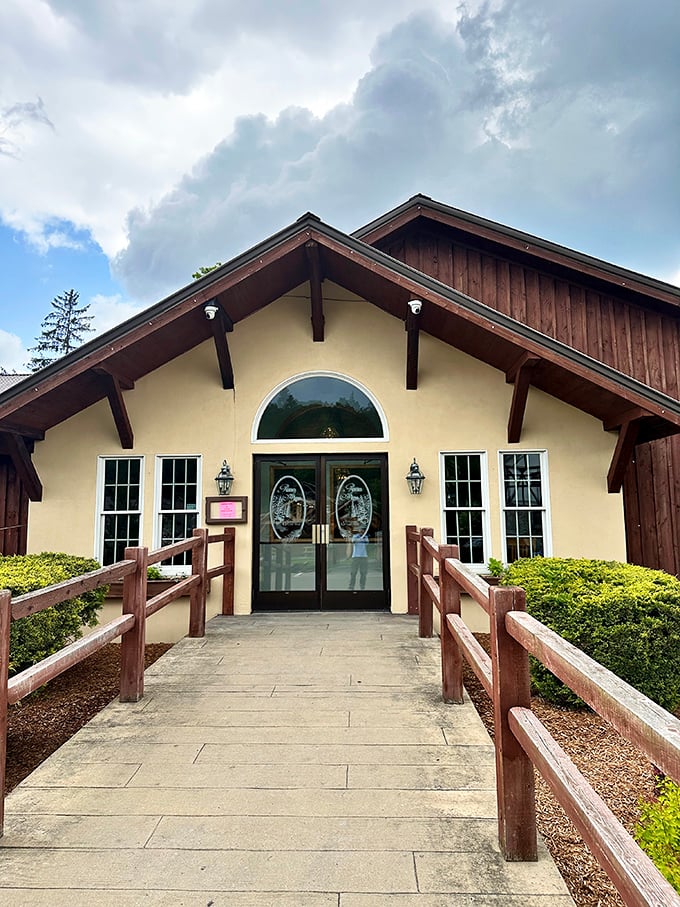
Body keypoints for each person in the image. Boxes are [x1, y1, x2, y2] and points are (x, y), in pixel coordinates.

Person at [349, 526, 369, 590]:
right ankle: (351, 586)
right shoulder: (355, 536)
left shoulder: (365, 537)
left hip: (364, 556)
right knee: (353, 572)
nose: (361, 531)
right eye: (360, 530)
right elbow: (353, 541)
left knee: (363, 573)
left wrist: (362, 537)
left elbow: (367, 542)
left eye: (363, 530)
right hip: (355, 556)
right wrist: (359, 538)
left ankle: (362, 586)